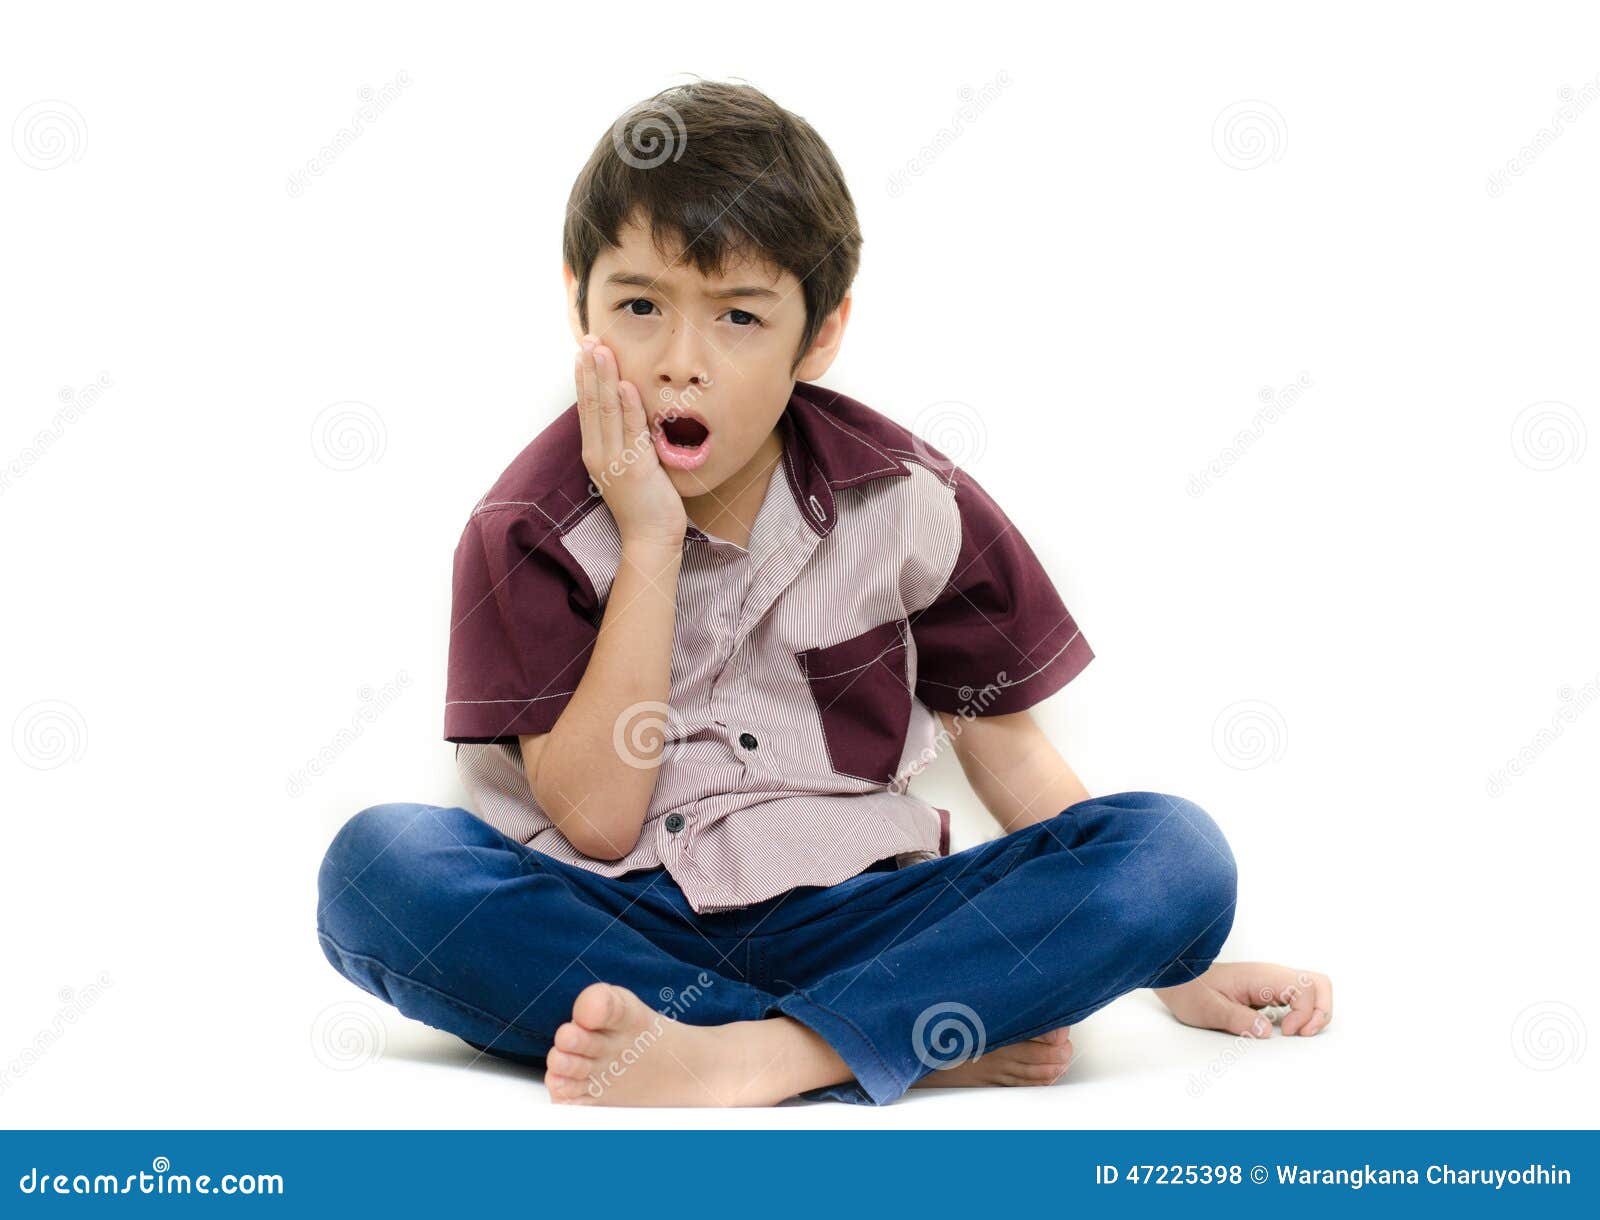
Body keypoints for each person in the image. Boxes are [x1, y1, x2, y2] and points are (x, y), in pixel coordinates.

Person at [316, 80, 1332, 1106]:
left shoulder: (909, 502)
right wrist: (650, 538)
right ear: (577, 299)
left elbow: (1013, 758)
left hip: (859, 916)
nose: (679, 363)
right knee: (379, 868)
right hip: (615, 918)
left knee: (1173, 854)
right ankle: (891, 1034)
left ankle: (759, 1054)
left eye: (739, 316)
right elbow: (597, 821)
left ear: (821, 333)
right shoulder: (527, 526)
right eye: (639, 306)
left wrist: (1175, 968)